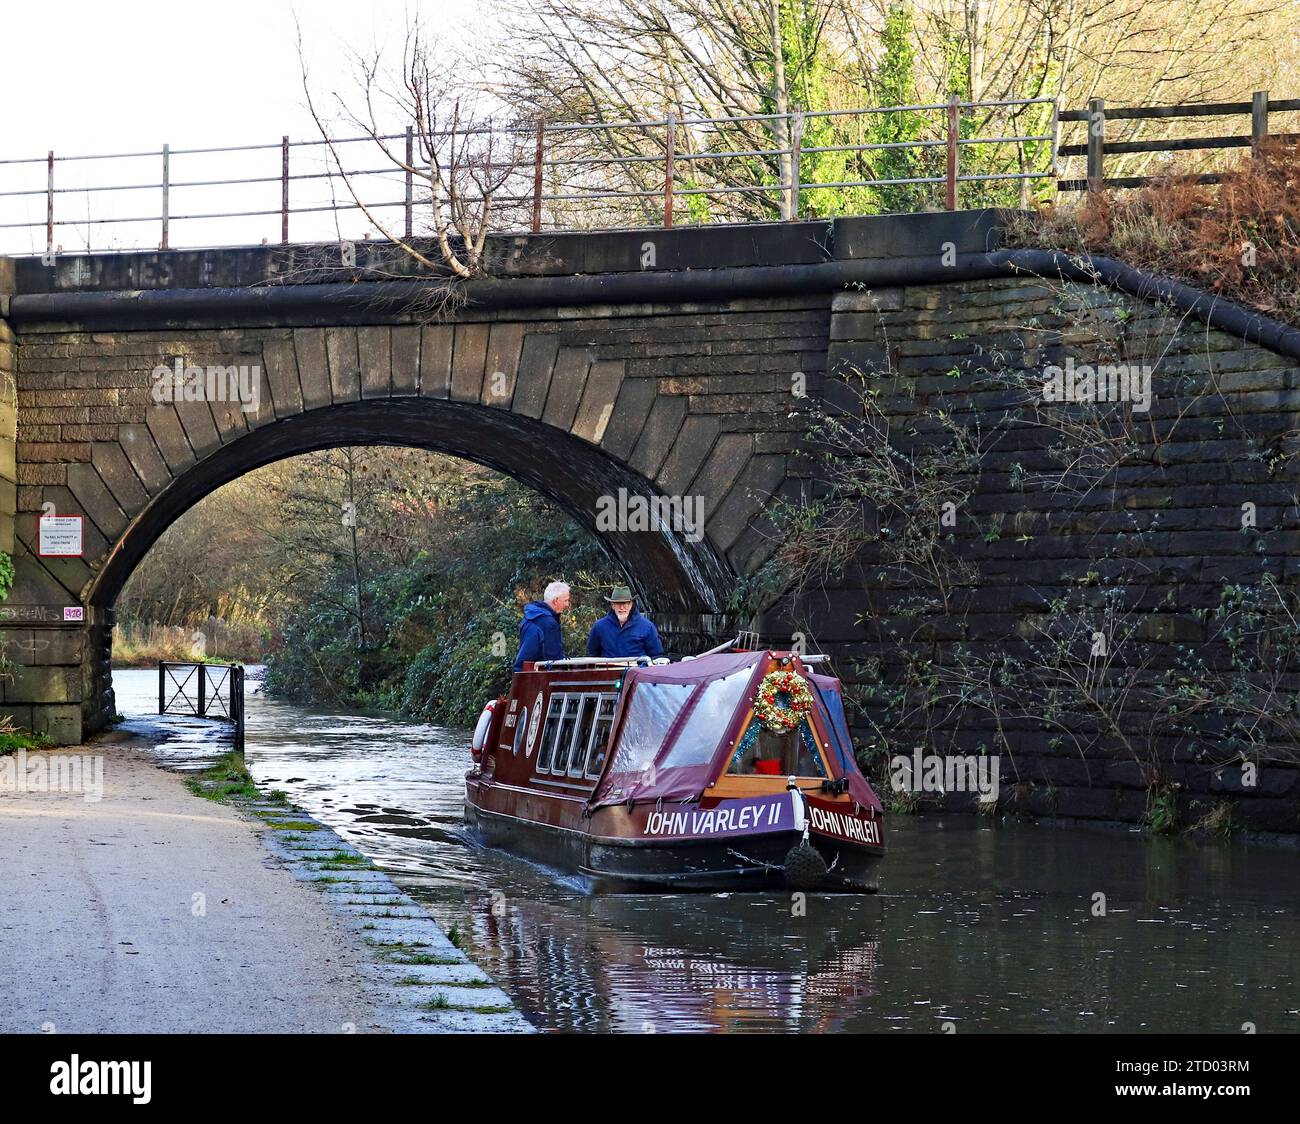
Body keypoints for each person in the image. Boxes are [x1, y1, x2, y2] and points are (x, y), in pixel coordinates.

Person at [587, 585, 664, 659]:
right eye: (618, 603)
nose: (621, 607)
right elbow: (592, 655)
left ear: (631, 604)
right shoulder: (599, 626)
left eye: (624, 603)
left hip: (637, 671)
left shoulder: (647, 627)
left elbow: (657, 656)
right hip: (609, 671)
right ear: (612, 605)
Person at [513, 581, 570, 670]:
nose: (567, 604)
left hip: (522, 672)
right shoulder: (549, 623)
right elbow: (554, 659)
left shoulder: (528, 618)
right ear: (555, 601)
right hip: (538, 678)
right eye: (565, 600)